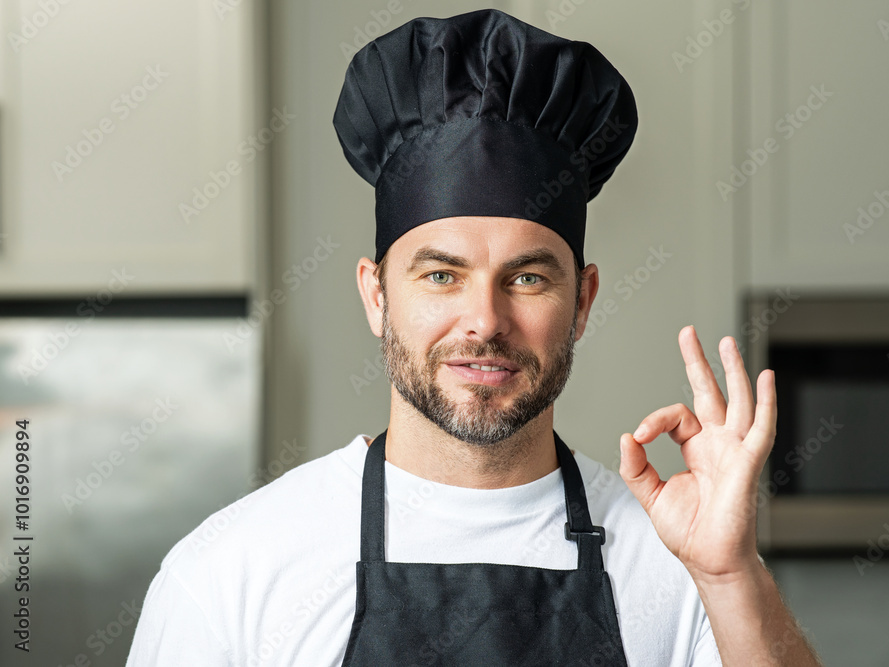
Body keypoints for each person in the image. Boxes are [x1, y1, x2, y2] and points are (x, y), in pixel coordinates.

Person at [126, 9, 822, 666]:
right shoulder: (230, 571)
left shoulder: (682, 566)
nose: (485, 321)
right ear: (376, 294)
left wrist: (731, 574)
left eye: (525, 279)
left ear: (581, 302)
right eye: (441, 276)